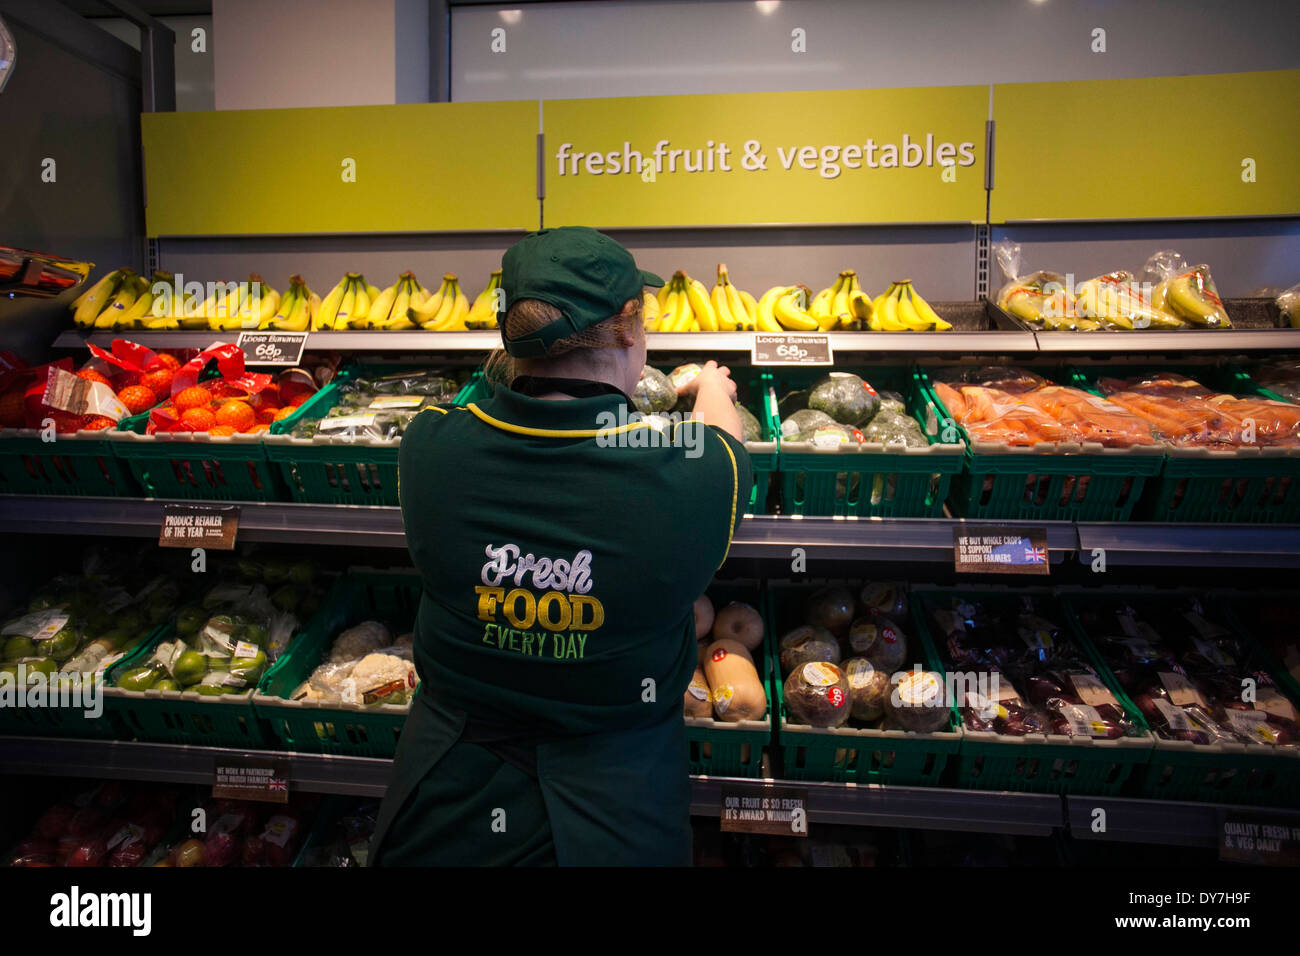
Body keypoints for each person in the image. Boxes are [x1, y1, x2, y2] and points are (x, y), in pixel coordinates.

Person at [370, 226, 752, 866]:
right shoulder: (695, 477)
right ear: (630, 330)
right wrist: (714, 388)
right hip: (619, 798)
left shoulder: (428, 448)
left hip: (451, 795)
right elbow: (722, 442)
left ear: (508, 335)